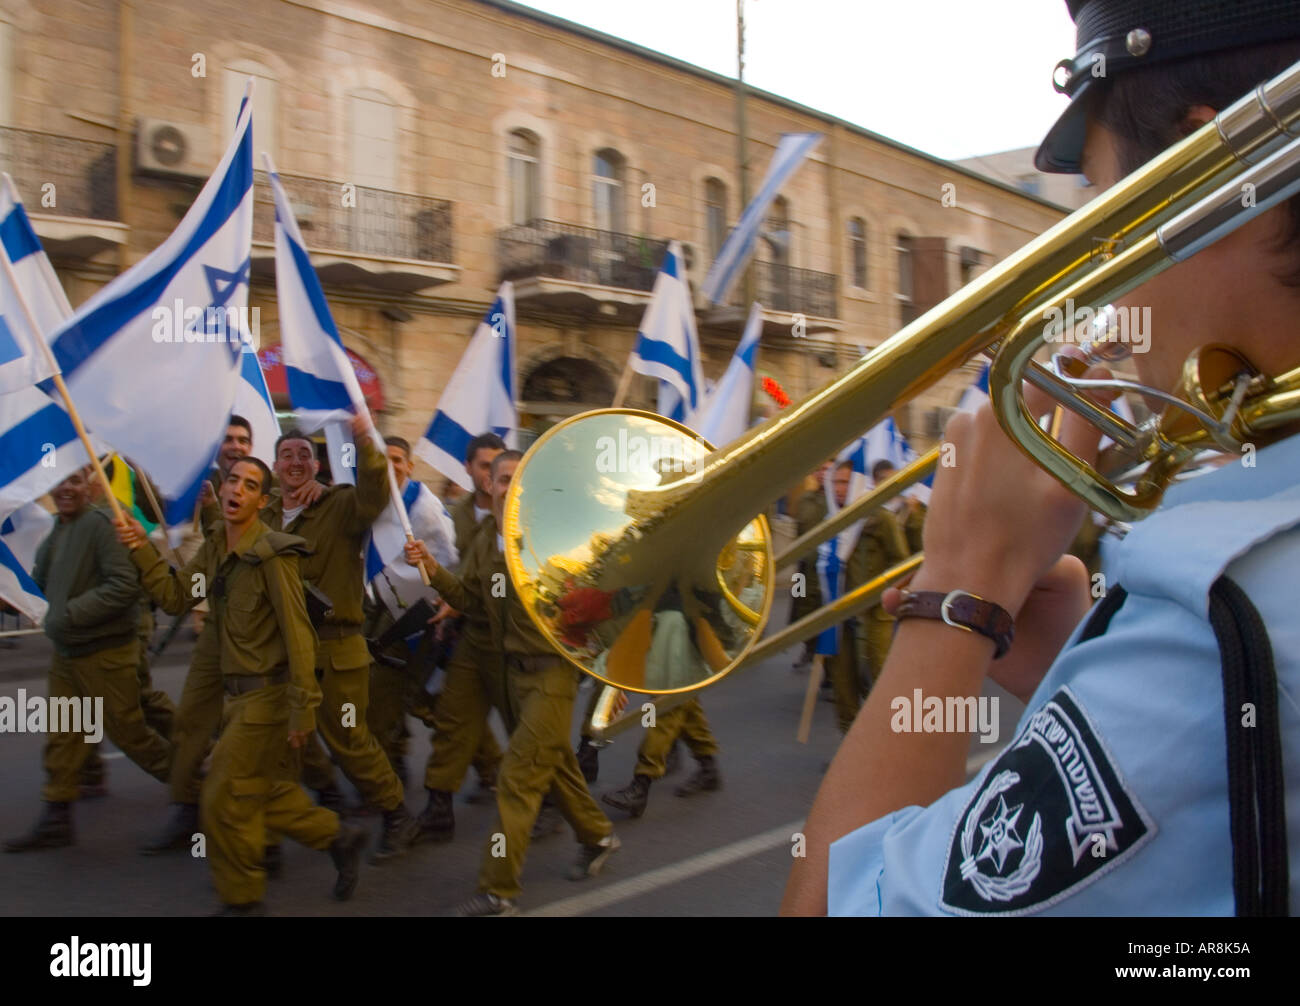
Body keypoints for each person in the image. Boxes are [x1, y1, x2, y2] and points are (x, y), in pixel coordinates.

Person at [783, 0, 1300, 916]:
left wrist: (960, 589)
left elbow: (827, 905)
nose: (1103, 274)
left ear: (1215, 175)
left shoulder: (1236, 597)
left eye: (1108, 213)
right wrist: (1096, 657)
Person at [117, 456, 366, 913]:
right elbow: (175, 599)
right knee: (260, 791)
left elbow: (299, 635)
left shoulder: (273, 554)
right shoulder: (215, 547)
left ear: (261, 501)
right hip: (235, 698)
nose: (237, 489)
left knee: (221, 796)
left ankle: (244, 900)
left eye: (250, 485)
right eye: (233, 479)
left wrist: (302, 709)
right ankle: (338, 836)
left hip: (269, 698)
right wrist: (139, 547)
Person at [406, 450, 619, 916]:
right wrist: (430, 568)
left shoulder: (553, 536)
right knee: (555, 766)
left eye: (518, 479)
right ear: (491, 486)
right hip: (510, 675)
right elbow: (471, 600)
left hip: (552, 677)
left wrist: (610, 673)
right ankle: (599, 835)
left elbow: (597, 606)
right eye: (502, 478)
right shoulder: (485, 539)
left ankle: (498, 891)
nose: (508, 487)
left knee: (518, 778)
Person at [264, 416, 419, 861]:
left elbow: (375, 493)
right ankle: (273, 837)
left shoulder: (339, 504)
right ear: (276, 466)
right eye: (287, 455)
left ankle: (396, 815)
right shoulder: (268, 515)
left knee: (350, 740)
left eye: (304, 456)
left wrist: (365, 441)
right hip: (287, 653)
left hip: (337, 650)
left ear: (316, 466)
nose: (295, 462)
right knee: (282, 742)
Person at [5, 467, 173, 852]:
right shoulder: (58, 530)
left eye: (75, 480)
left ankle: (196, 791)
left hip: (105, 653)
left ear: (91, 485)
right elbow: (41, 583)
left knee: (131, 735)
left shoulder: (104, 525)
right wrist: (11, 596)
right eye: (61, 482)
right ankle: (57, 817)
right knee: (64, 737)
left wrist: (66, 614)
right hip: (69, 653)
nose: (66, 488)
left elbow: (122, 587)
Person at [416, 432, 508, 841]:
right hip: (471, 633)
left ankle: (555, 803)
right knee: (454, 719)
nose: (489, 475)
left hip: (513, 640)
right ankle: (438, 806)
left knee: (530, 729)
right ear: (468, 469)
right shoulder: (456, 516)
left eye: (496, 466)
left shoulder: (524, 514)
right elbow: (454, 572)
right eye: (483, 466)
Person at [365, 435, 459, 785]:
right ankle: (395, 756)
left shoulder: (423, 507)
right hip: (380, 607)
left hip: (417, 612)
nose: (390, 468)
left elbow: (449, 557)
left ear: (409, 466)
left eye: (396, 460)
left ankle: (389, 778)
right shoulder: (371, 500)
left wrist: (447, 603)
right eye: (383, 460)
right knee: (389, 693)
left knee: (403, 695)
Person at [824, 460, 909, 734]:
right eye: (836, 482)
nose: (840, 489)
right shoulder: (829, 521)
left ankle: (886, 741)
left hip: (874, 615)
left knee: (879, 679)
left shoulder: (879, 518)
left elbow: (902, 563)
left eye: (846, 482)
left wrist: (885, 595)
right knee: (843, 682)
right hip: (839, 615)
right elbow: (809, 570)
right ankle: (848, 745)